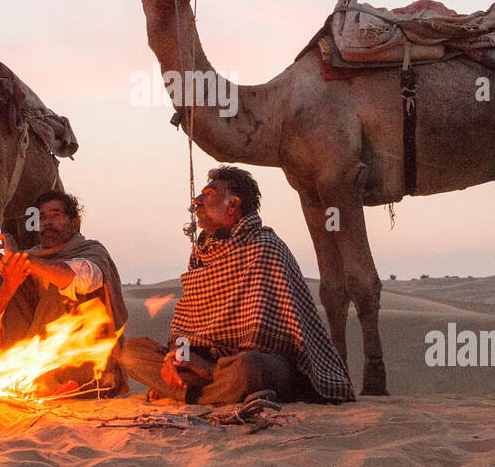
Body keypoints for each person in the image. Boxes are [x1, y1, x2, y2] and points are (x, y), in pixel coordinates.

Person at [122, 167, 355, 404]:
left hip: (259, 362)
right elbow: (187, 324)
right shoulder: (201, 255)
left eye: (208, 194)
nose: (197, 201)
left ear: (233, 205)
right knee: (132, 352)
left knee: (248, 369)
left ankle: (188, 393)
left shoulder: (265, 247)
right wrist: (180, 356)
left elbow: (267, 336)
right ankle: (205, 391)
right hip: (208, 362)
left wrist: (209, 368)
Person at [0, 191, 128, 396]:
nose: (47, 222)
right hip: (26, 369)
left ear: (75, 223)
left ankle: (44, 380)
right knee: (13, 288)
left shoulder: (91, 251)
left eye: (55, 215)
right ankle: (25, 376)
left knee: (61, 284)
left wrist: (24, 261)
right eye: (42, 218)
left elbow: (82, 280)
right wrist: (10, 284)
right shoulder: (28, 257)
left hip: (85, 367)